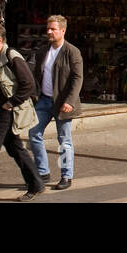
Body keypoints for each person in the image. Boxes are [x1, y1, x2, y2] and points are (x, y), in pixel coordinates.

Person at [0, 21, 44, 202]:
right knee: (15, 148)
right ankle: (36, 183)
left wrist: (11, 103)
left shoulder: (12, 56)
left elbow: (28, 85)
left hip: (8, 111)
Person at [28, 14, 83, 190]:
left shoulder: (71, 51)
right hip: (44, 100)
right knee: (33, 133)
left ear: (63, 31)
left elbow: (77, 78)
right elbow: (36, 73)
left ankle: (66, 176)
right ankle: (43, 171)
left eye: (53, 29)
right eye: (48, 29)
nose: (49, 32)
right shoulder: (43, 50)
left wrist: (70, 101)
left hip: (63, 102)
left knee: (64, 140)